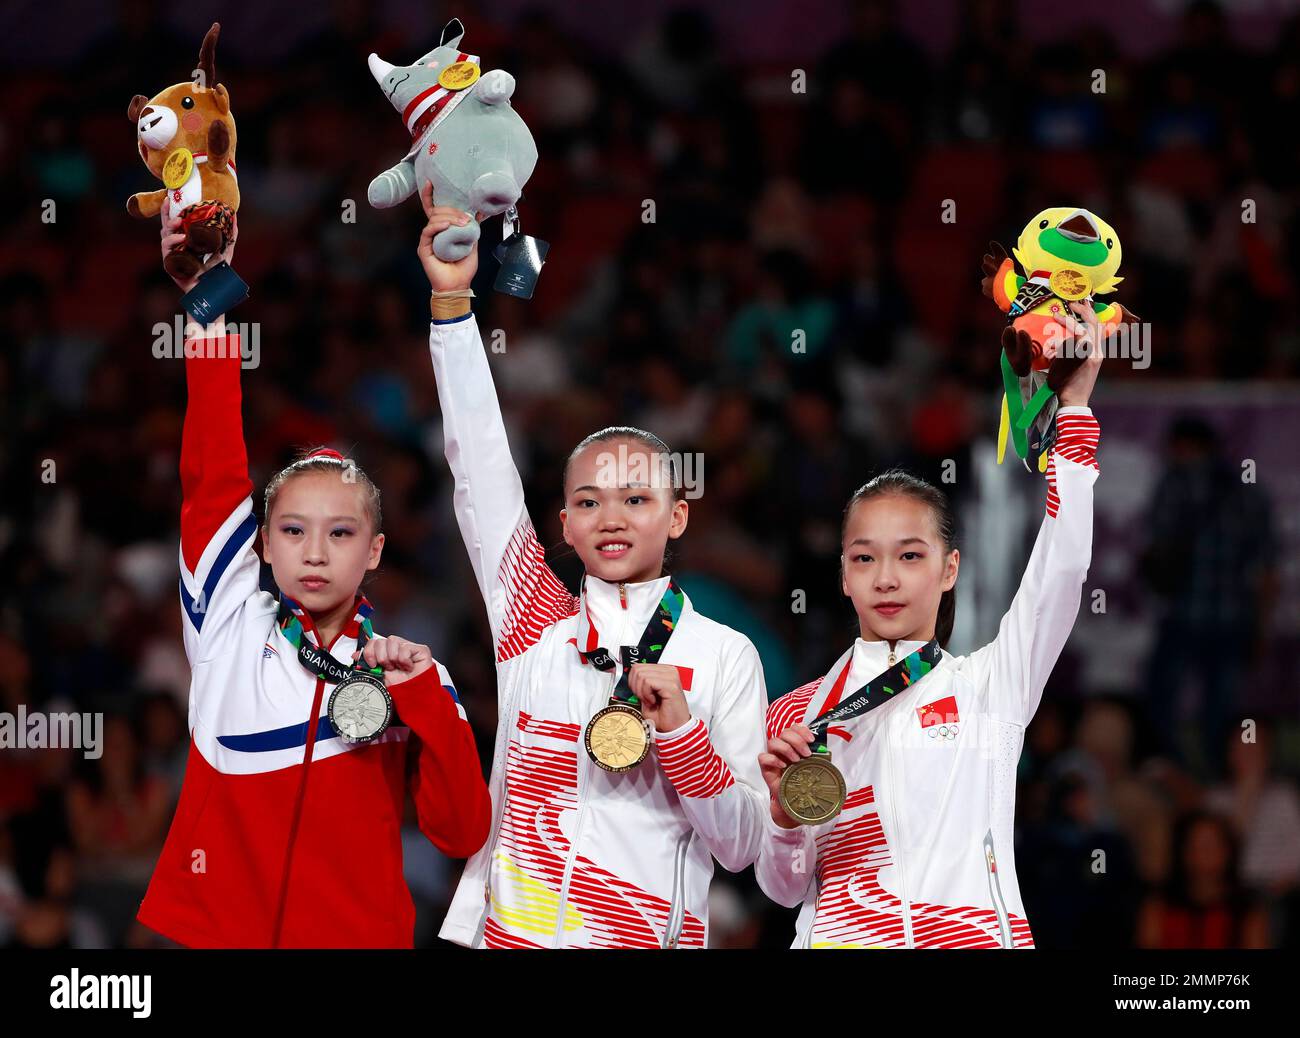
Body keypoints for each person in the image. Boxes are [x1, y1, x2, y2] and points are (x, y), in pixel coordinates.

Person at [415, 185, 768, 949]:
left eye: (636, 498)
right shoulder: (531, 619)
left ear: (677, 517)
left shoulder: (722, 656)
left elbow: (742, 847)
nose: (611, 516)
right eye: (589, 501)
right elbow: (477, 463)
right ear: (565, 524)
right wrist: (453, 307)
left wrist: (679, 733)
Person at [136, 214, 490, 948]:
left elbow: (461, 835)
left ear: (376, 552)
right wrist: (207, 310)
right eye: (293, 531)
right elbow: (212, 476)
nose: (315, 552)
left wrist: (422, 695)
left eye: (342, 533)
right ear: (262, 545)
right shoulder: (227, 621)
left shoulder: (411, 674)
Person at [755, 303, 1107, 948]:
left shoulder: (991, 688)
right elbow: (782, 887)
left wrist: (1076, 411)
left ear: (949, 570)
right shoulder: (799, 716)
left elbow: (1063, 571)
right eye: (865, 558)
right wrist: (782, 817)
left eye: (910, 556)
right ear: (843, 574)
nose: (886, 578)